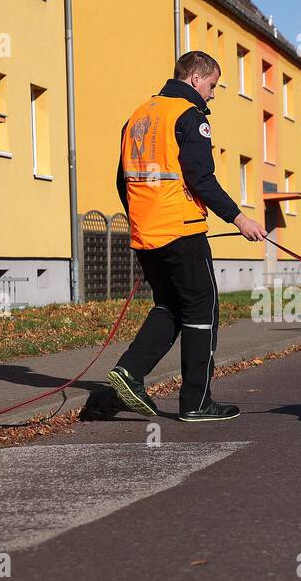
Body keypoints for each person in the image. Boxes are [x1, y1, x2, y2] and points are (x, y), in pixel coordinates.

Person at [107, 50, 268, 422]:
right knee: (201, 310)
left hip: (146, 234)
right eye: (212, 86)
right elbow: (200, 178)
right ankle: (196, 402)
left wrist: (141, 218)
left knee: (171, 307)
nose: (212, 94)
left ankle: (129, 372)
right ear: (196, 79)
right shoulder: (188, 116)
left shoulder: (138, 116)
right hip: (182, 230)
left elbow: (122, 180)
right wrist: (239, 218)